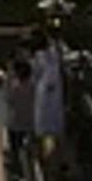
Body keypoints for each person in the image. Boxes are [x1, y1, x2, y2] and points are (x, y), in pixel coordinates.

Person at [31, 29, 70, 173]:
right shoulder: (42, 56)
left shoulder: (56, 52)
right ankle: (46, 158)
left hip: (51, 96)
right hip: (45, 95)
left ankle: (55, 160)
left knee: (52, 129)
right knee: (47, 128)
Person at [0, 45, 38, 181]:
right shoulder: (34, 87)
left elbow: (8, 100)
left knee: (14, 146)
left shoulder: (16, 89)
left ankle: (16, 168)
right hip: (29, 121)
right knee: (22, 142)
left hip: (15, 122)